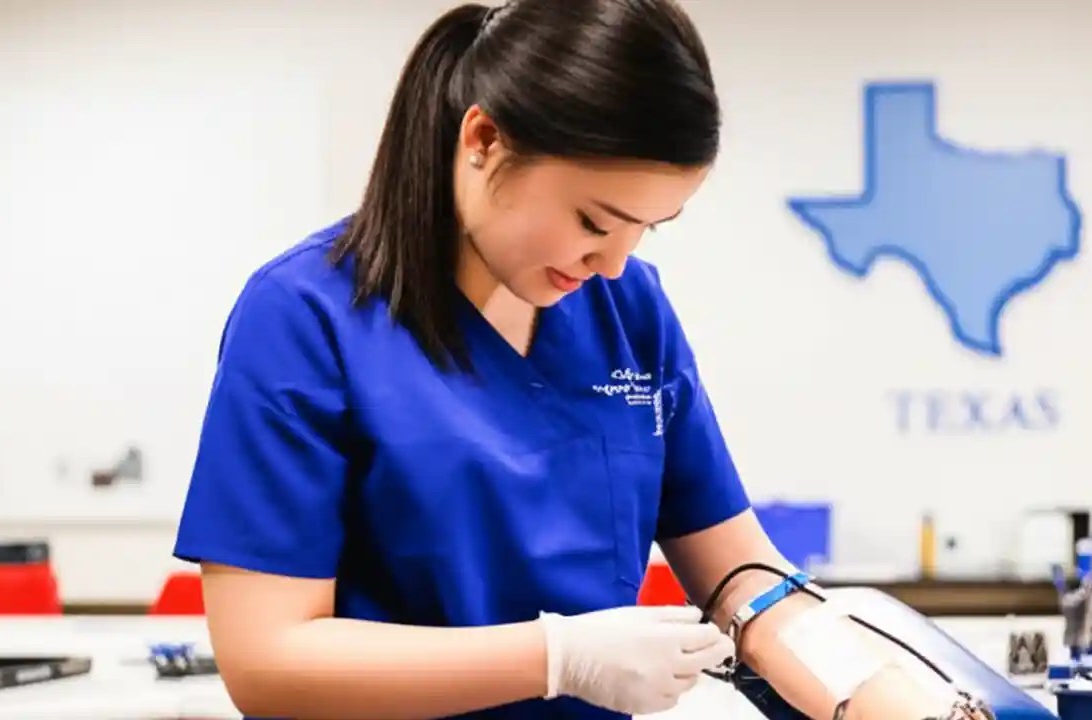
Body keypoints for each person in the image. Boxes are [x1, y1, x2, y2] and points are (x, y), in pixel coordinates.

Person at [174, 2, 975, 719]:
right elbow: (268, 662)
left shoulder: (628, 312)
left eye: (647, 229)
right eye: (595, 219)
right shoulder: (306, 318)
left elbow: (745, 581)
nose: (615, 264)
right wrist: (556, 659)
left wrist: (891, 704)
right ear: (483, 141)